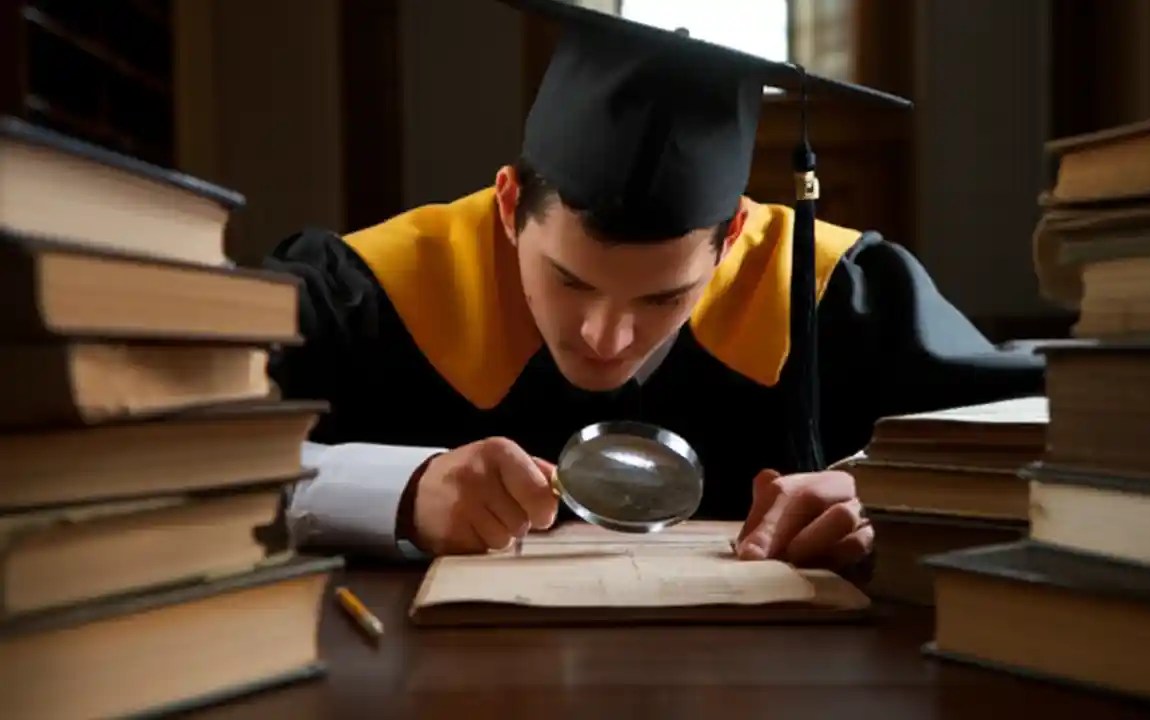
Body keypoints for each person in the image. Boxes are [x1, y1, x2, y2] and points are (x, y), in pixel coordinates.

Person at [265, 0, 1045, 579]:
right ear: (508, 206)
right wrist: (397, 492)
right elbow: (192, 454)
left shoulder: (842, 298)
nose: (604, 338)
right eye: (569, 280)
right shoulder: (366, 295)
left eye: (662, 298)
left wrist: (887, 494)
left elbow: (1056, 444)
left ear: (731, 240)